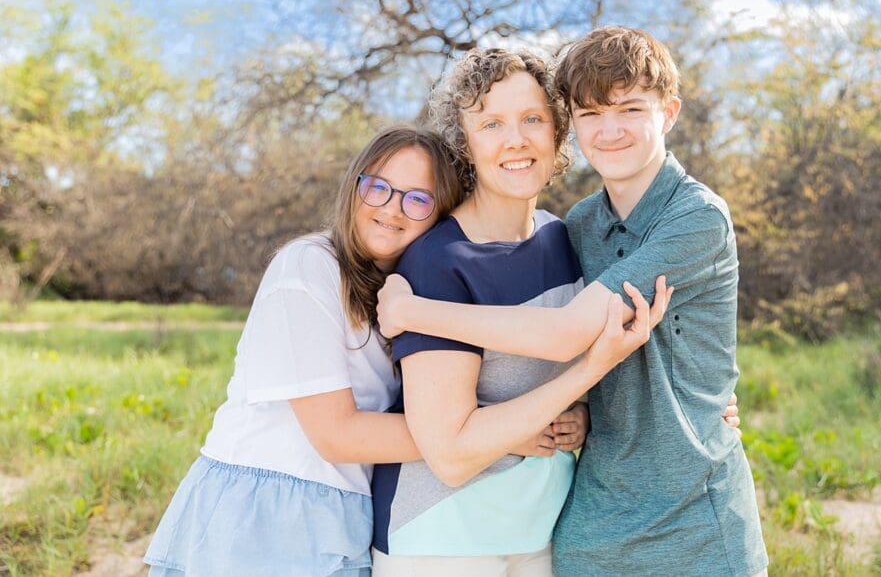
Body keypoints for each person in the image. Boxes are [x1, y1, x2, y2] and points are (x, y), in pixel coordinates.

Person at [379, 28, 767, 576]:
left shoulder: (693, 217)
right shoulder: (580, 226)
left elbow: (567, 334)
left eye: (630, 109)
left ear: (670, 112)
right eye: (590, 113)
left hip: (693, 517)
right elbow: (560, 356)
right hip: (588, 524)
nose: (610, 131)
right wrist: (586, 409)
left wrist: (413, 313)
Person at [142, 125, 612, 577]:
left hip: (347, 504)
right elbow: (336, 434)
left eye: (418, 198)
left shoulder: (404, 289)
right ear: (354, 188)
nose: (393, 208)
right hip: (269, 503)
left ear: (441, 212)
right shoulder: (307, 268)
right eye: (378, 188)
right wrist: (502, 435)